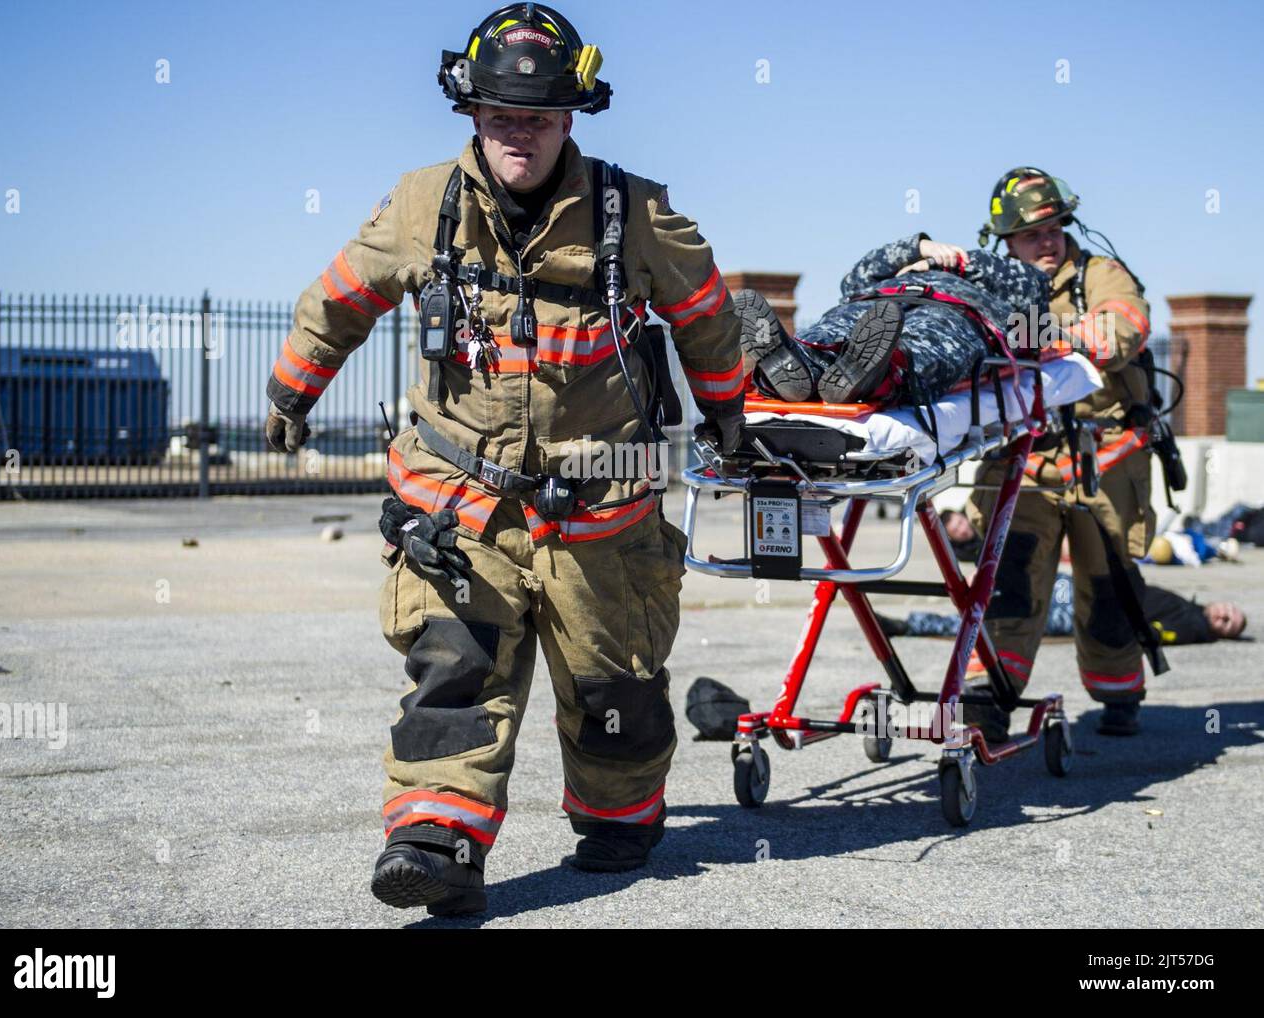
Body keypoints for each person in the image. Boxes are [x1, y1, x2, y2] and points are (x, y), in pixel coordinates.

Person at [263, 3, 745, 916]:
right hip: (458, 503)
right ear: (472, 116)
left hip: (599, 515)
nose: (516, 133)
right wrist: (294, 389)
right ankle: (437, 842)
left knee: (615, 689)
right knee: (454, 668)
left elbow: (708, 313)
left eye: (536, 116)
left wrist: (726, 411)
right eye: (499, 117)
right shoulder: (421, 204)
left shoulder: (633, 211)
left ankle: (620, 818)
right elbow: (340, 300)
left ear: (572, 116)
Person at [963, 168, 1156, 739]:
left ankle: (1119, 696)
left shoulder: (1102, 275)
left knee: (1109, 586)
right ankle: (988, 700)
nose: (1046, 243)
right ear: (1006, 241)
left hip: (1107, 460)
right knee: (1008, 583)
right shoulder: (989, 283)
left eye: (1053, 229)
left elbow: (1125, 327)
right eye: (1030, 235)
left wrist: (1044, 333)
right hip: (1023, 462)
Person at [734, 235, 1050, 407]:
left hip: (956, 312)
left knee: (924, 344)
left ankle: (877, 373)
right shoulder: (904, 267)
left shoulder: (988, 279)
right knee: (835, 327)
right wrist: (917, 247)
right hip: (879, 299)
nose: (1047, 242)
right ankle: (796, 362)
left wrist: (968, 263)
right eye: (1037, 235)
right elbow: (854, 279)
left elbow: (1034, 291)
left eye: (1052, 234)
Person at [877, 573, 1247, 645]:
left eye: (1228, 624)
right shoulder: (1191, 605)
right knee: (1008, 590)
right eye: (1230, 611)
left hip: (1084, 613)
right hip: (1086, 590)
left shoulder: (1194, 626)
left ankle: (907, 625)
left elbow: (1156, 635)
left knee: (998, 622)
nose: (1223, 616)